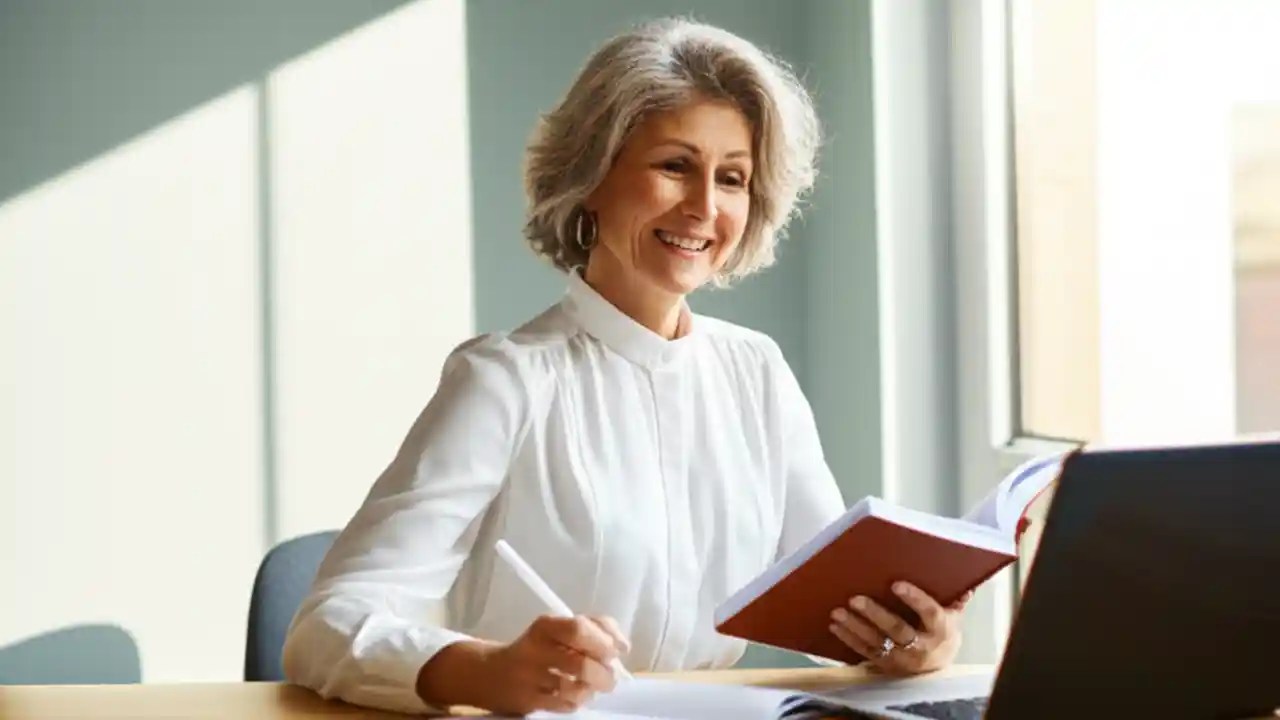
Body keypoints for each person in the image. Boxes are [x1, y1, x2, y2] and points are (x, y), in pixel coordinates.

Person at [282, 17, 969, 716]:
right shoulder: (506, 380)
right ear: (592, 175)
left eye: (732, 178)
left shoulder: (756, 373)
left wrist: (910, 640)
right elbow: (325, 627)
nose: (704, 207)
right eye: (675, 166)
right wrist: (487, 671)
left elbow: (839, 610)